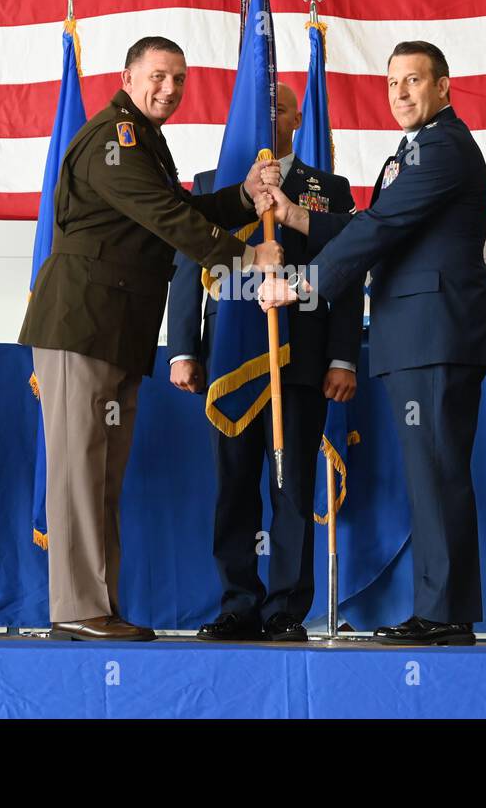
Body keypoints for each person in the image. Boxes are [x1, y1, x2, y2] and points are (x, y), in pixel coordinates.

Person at [19, 36, 282, 642]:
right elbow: (168, 220)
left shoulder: (145, 142)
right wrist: (247, 254)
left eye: (180, 80)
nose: (170, 89)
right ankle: (78, 610)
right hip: (81, 324)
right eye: (159, 76)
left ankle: (97, 608)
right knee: (79, 472)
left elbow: (172, 207)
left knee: (102, 474)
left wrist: (243, 197)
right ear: (129, 77)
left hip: (114, 326)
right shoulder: (117, 139)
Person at [256, 41, 486, 646]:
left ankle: (445, 614)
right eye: (392, 81)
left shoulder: (444, 146)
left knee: (439, 472)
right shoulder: (414, 149)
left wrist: (304, 283)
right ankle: (440, 609)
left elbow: (383, 226)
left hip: (438, 332)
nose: (400, 92)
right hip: (416, 334)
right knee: (429, 474)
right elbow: (375, 223)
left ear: (444, 87)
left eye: (414, 81)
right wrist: (294, 217)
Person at [166, 83, 362, 642]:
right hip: (229, 355)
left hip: (299, 356)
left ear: (297, 118)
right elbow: (187, 269)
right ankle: (238, 605)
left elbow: (346, 277)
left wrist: (343, 357)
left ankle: (284, 611)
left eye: (277, 106)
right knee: (233, 488)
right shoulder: (214, 185)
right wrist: (183, 348)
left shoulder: (327, 190)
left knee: (292, 489)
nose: (267, 115)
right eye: (258, 106)